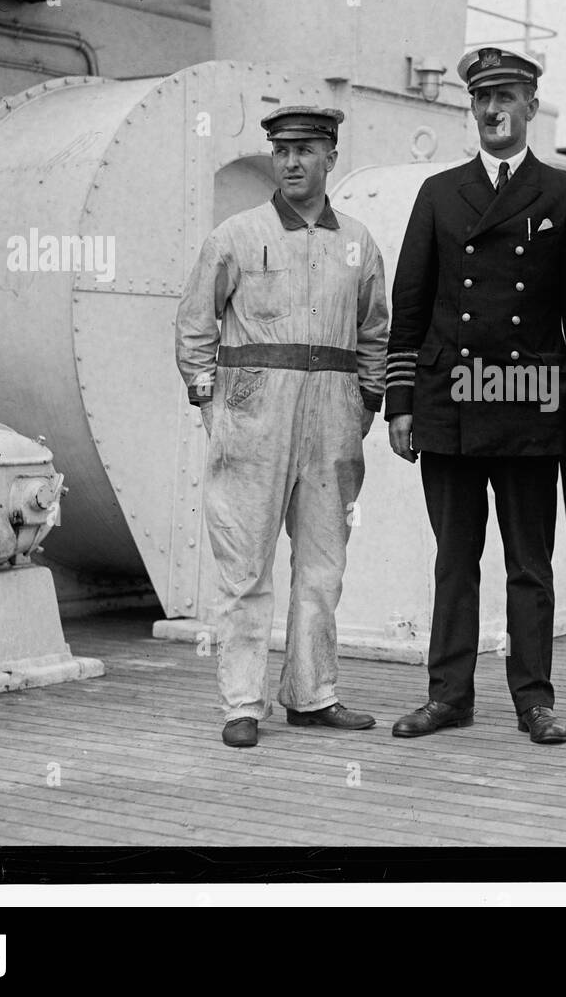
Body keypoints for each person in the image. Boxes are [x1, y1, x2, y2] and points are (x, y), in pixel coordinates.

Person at [385, 45, 566, 746]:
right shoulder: (439, 193)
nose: (493, 110)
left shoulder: (565, 196)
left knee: (529, 566)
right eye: (482, 98)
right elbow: (409, 305)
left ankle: (534, 699)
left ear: (530, 107)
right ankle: (448, 696)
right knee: (454, 561)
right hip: (449, 404)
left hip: (529, 404)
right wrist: (400, 403)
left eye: (506, 97)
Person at [175, 105, 389, 748]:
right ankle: (242, 703)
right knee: (244, 566)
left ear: (330, 158)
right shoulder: (236, 235)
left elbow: (375, 331)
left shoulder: (358, 242)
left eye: (306, 151)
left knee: (323, 566)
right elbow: (195, 326)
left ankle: (312, 694)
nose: (292, 162)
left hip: (333, 420)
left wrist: (365, 402)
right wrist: (211, 405)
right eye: (282, 151)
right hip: (253, 418)